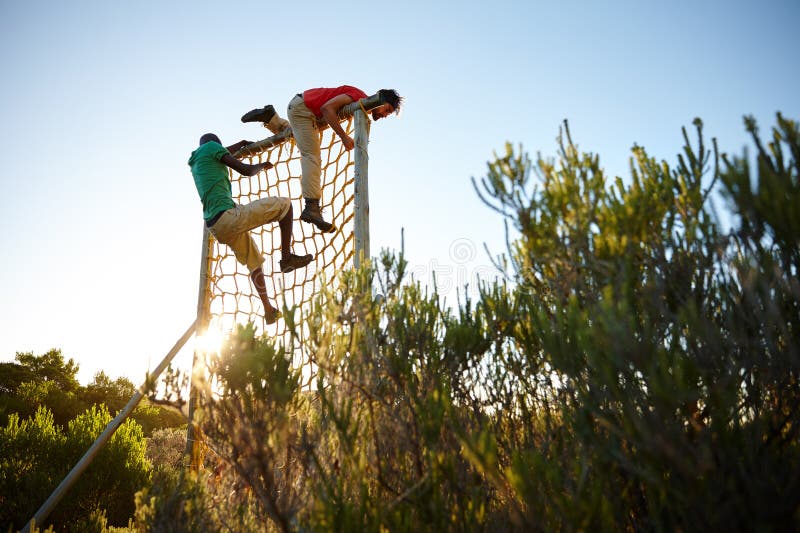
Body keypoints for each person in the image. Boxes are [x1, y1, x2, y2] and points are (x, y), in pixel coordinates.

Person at [188, 133, 313, 325]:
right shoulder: (212, 148)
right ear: (215, 145)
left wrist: (240, 144)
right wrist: (262, 166)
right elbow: (245, 171)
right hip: (228, 216)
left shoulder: (196, 160)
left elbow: (224, 151)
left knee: (253, 260)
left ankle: (268, 309)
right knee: (285, 206)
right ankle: (287, 258)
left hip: (216, 226)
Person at [242, 86, 403, 233]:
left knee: (296, 134)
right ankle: (311, 207)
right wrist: (344, 137)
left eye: (388, 114)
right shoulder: (358, 96)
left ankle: (271, 118)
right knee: (311, 155)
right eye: (386, 110)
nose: (384, 115)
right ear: (379, 98)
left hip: (305, 111)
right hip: (303, 109)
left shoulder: (358, 104)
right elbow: (327, 109)